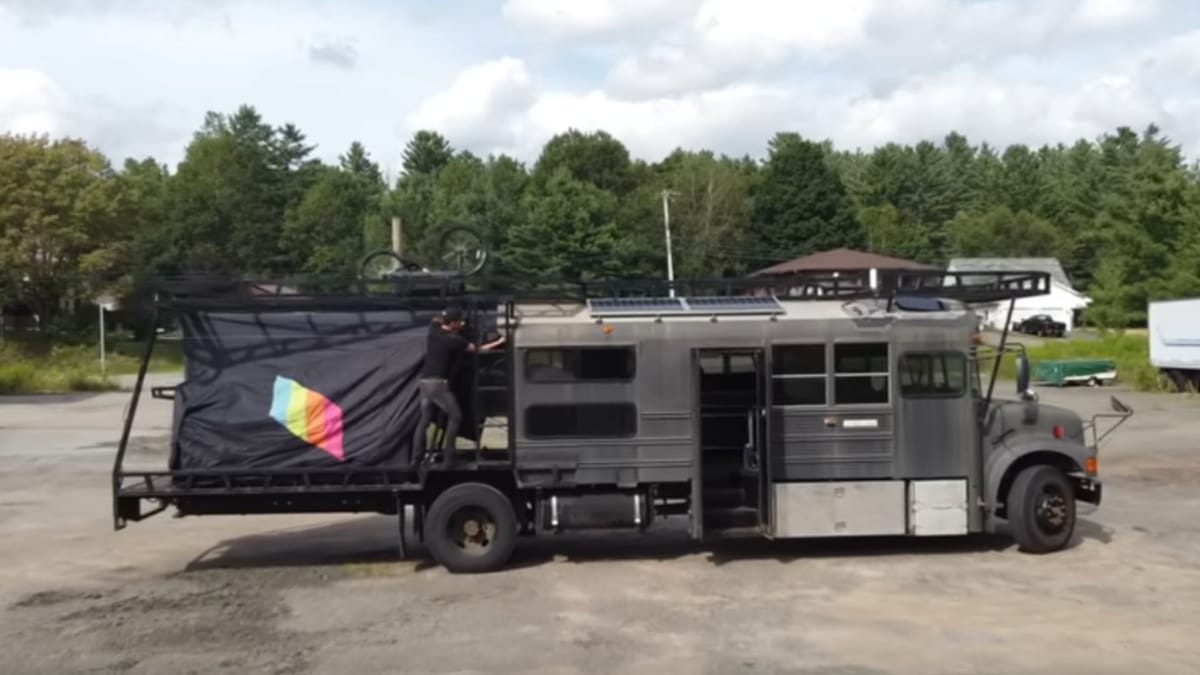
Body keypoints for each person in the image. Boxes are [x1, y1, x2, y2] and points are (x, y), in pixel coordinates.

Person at [411, 307, 505, 468]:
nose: (462, 323)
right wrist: (500, 341)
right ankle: (449, 457)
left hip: (424, 382)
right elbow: (478, 349)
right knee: (456, 416)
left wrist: (447, 313)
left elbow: (436, 319)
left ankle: (416, 459)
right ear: (452, 324)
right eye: (459, 322)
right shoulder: (454, 341)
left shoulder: (433, 332)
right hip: (438, 384)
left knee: (424, 420)